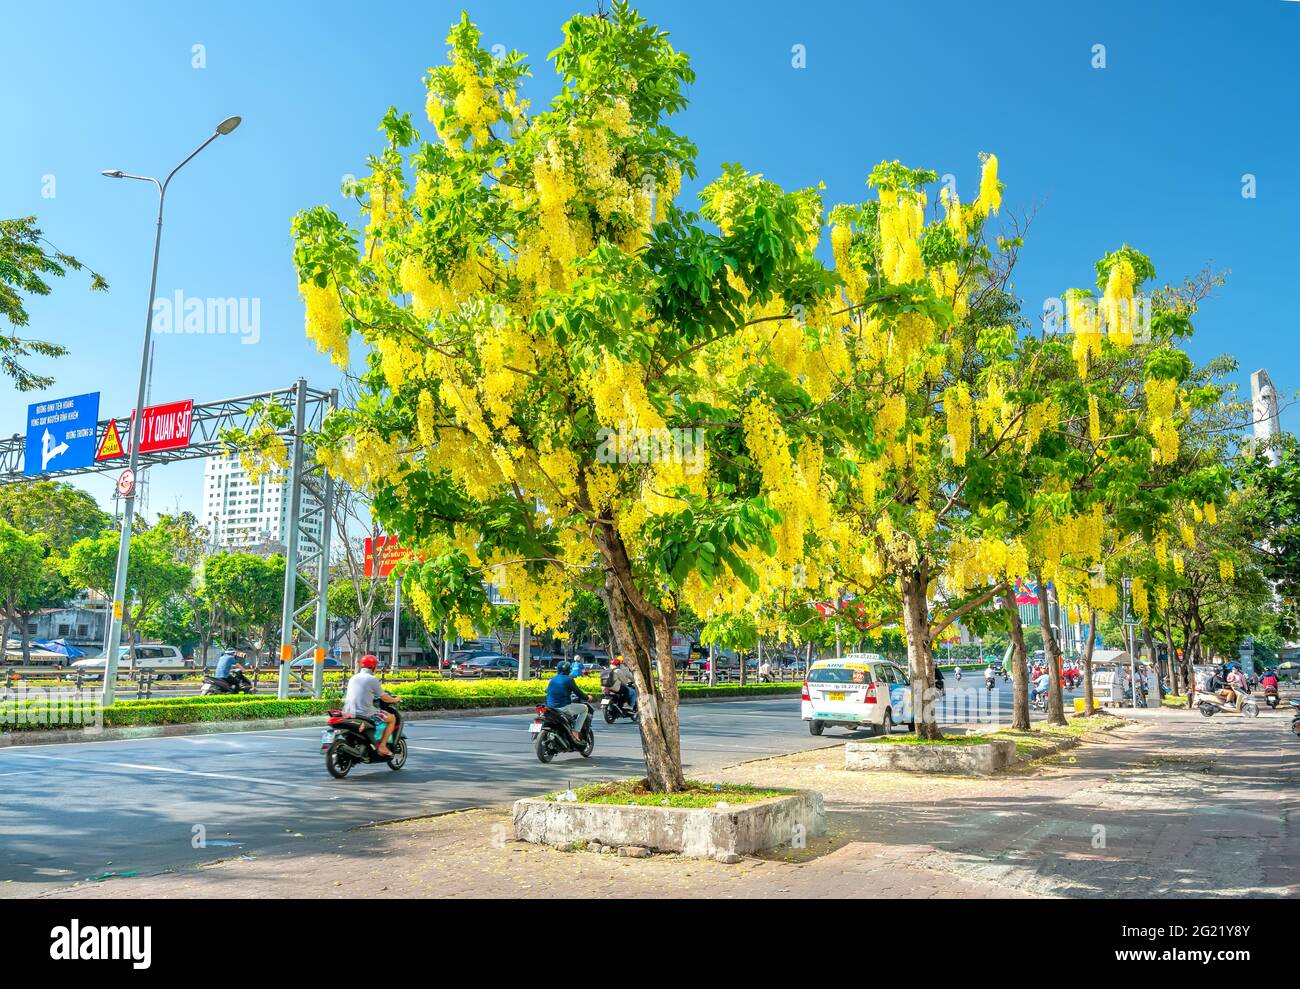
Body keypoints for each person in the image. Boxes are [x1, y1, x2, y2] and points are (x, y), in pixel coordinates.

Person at [343, 655, 399, 757]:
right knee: (392, 718)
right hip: (365, 713)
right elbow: (384, 697)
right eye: (376, 666)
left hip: (348, 712)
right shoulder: (372, 679)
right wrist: (395, 700)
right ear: (372, 666)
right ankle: (382, 745)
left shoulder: (353, 678)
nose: (376, 668)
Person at [545, 660, 590, 743]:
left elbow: (547, 691)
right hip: (563, 707)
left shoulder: (553, 679)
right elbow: (578, 692)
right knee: (585, 708)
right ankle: (576, 731)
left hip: (550, 707)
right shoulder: (569, 679)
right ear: (568, 670)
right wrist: (587, 698)